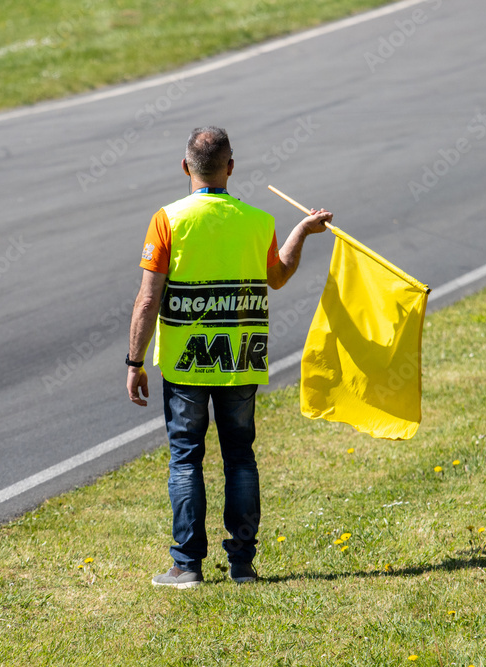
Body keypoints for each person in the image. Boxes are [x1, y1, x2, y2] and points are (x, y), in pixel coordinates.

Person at [126, 126, 332, 588]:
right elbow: (277, 276)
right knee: (240, 456)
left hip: (186, 363)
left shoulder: (168, 220)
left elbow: (147, 299)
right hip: (240, 359)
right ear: (231, 168)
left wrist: (134, 362)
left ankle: (186, 566)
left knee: (186, 458)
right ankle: (242, 564)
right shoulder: (258, 220)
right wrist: (301, 229)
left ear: (185, 167)